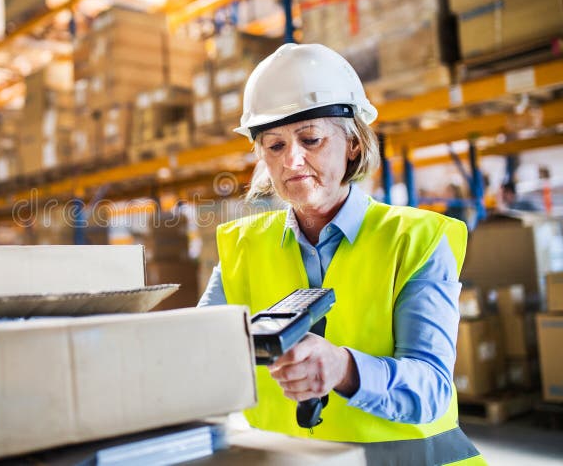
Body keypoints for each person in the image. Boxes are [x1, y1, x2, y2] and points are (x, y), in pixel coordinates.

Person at [198, 43, 485, 465]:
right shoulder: (242, 248)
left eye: (310, 139)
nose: (292, 160)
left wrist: (344, 369)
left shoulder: (415, 239)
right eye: (274, 146)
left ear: (352, 144)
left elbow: (432, 388)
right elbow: (199, 356)